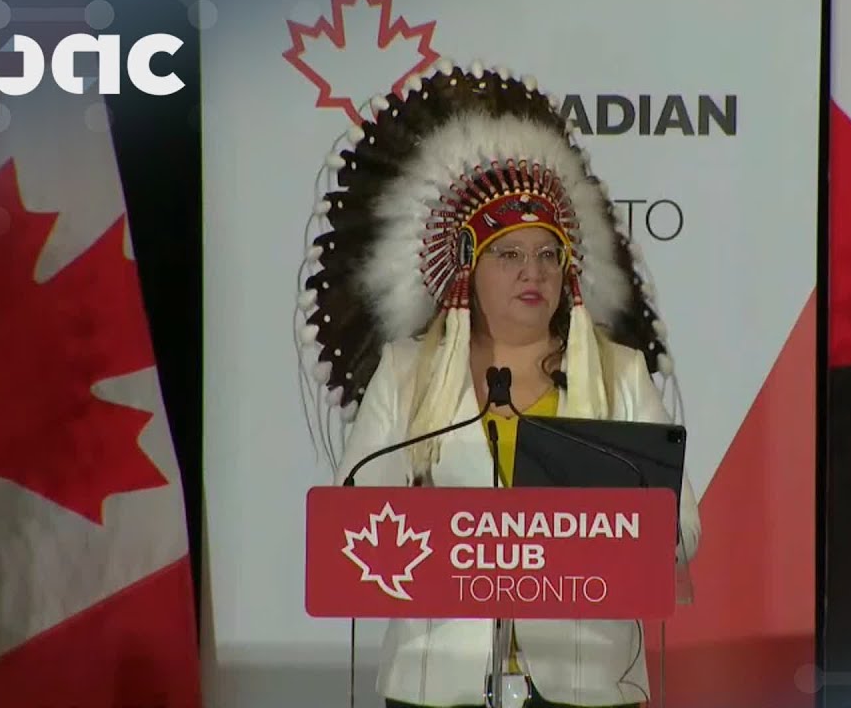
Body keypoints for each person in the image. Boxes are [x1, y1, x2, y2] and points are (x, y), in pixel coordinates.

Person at [296, 59, 701, 708]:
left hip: (588, 681)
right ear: (466, 270)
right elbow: (356, 513)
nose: (530, 273)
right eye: (508, 255)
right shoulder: (408, 372)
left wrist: (628, 527)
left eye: (547, 255)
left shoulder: (618, 371)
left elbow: (682, 528)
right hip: (436, 679)